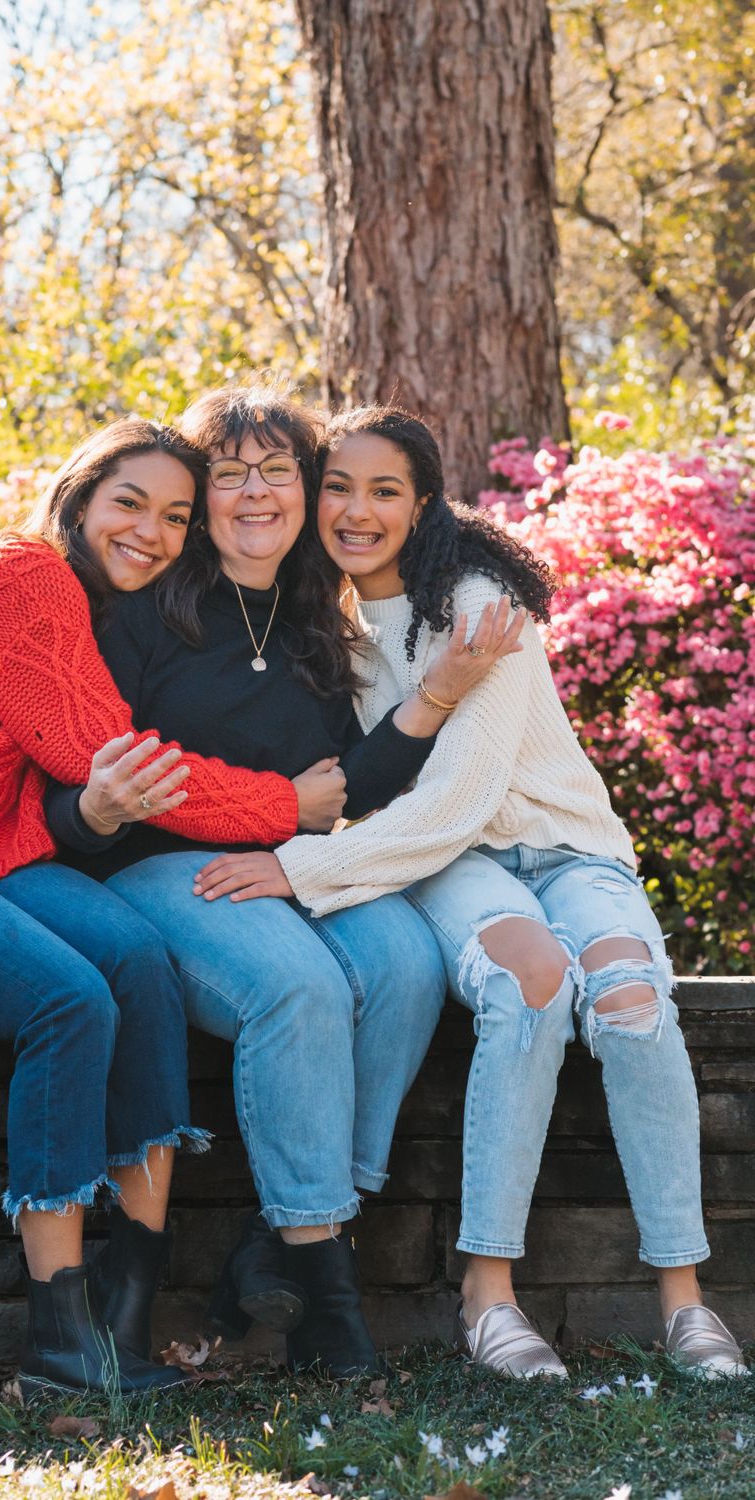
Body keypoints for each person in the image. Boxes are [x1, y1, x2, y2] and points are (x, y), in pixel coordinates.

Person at [195, 404, 749, 1381]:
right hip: (448, 866)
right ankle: (487, 1296)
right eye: (338, 486)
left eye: (384, 492)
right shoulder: (318, 622)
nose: (356, 510)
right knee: (530, 977)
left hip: (563, 849)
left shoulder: (477, 597)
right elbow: (383, 796)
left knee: (625, 996)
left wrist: (298, 869)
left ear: (422, 506)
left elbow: (458, 796)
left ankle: (686, 1303)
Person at [0, 417, 350, 1398]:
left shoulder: (85, 609)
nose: (152, 530)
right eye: (128, 502)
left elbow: (92, 790)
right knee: (69, 998)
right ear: (79, 499)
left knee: (136, 961)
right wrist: (286, 807)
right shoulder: (21, 576)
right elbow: (120, 765)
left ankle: (127, 1306)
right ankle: (61, 1336)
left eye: (177, 516)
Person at [46, 385, 522, 1376]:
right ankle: (326, 1299)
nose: (255, 491)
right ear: (202, 493)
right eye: (229, 472)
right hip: (151, 871)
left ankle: (288, 1245)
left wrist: (435, 697)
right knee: (297, 988)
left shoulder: (316, 620)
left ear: (305, 494)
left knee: (399, 960)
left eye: (278, 470)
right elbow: (100, 786)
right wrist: (275, 812)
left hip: (283, 865)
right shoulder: (142, 614)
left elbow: (351, 785)